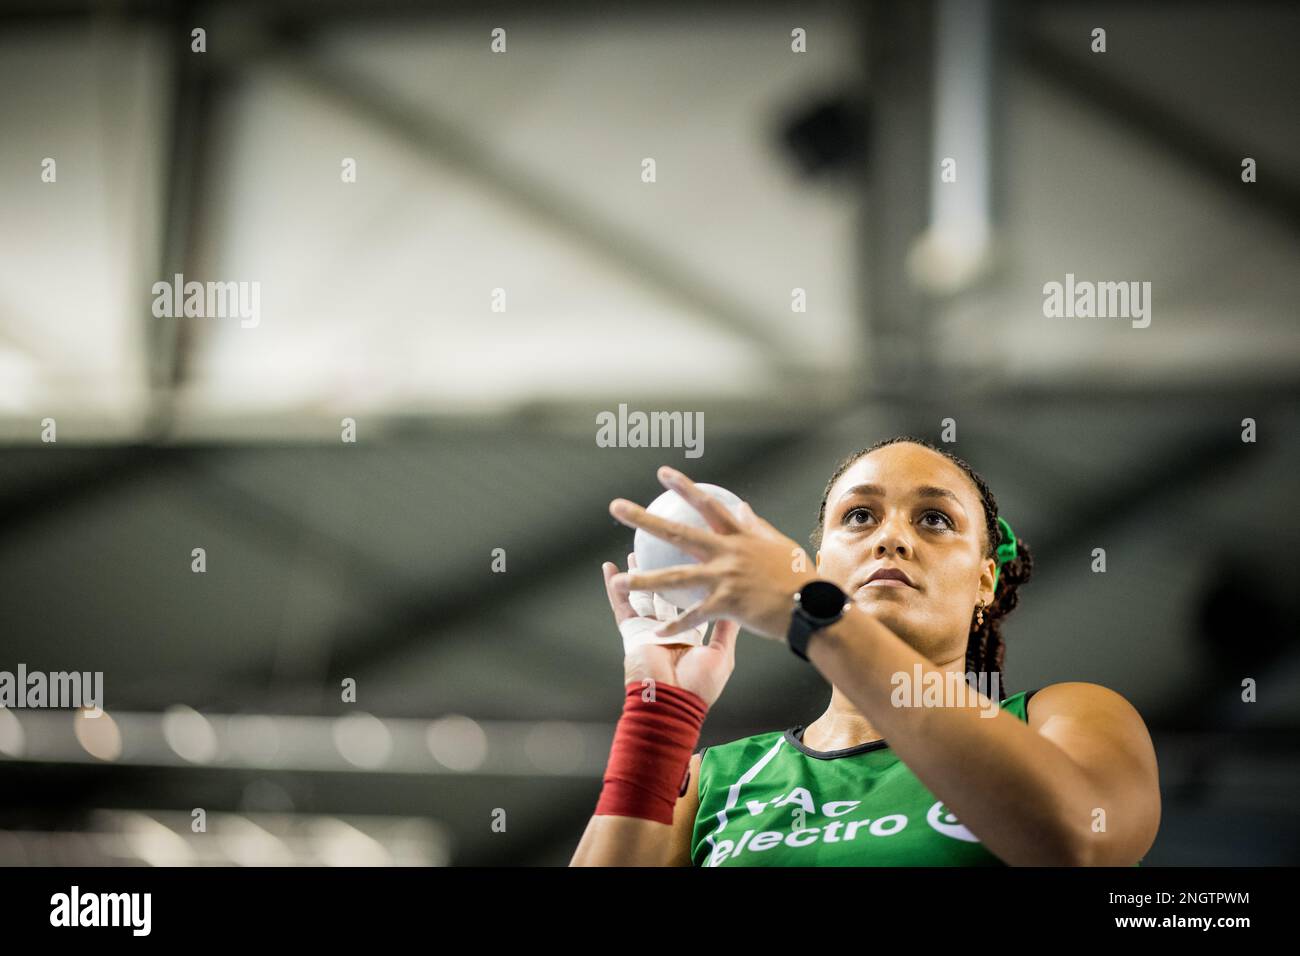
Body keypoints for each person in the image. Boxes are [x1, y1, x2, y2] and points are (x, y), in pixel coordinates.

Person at [570, 436, 1160, 866]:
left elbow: (1080, 844)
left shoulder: (1064, 716)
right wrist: (659, 713)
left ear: (985, 579)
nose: (892, 538)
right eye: (859, 516)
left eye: (934, 519)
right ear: (821, 562)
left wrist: (810, 611)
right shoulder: (717, 780)